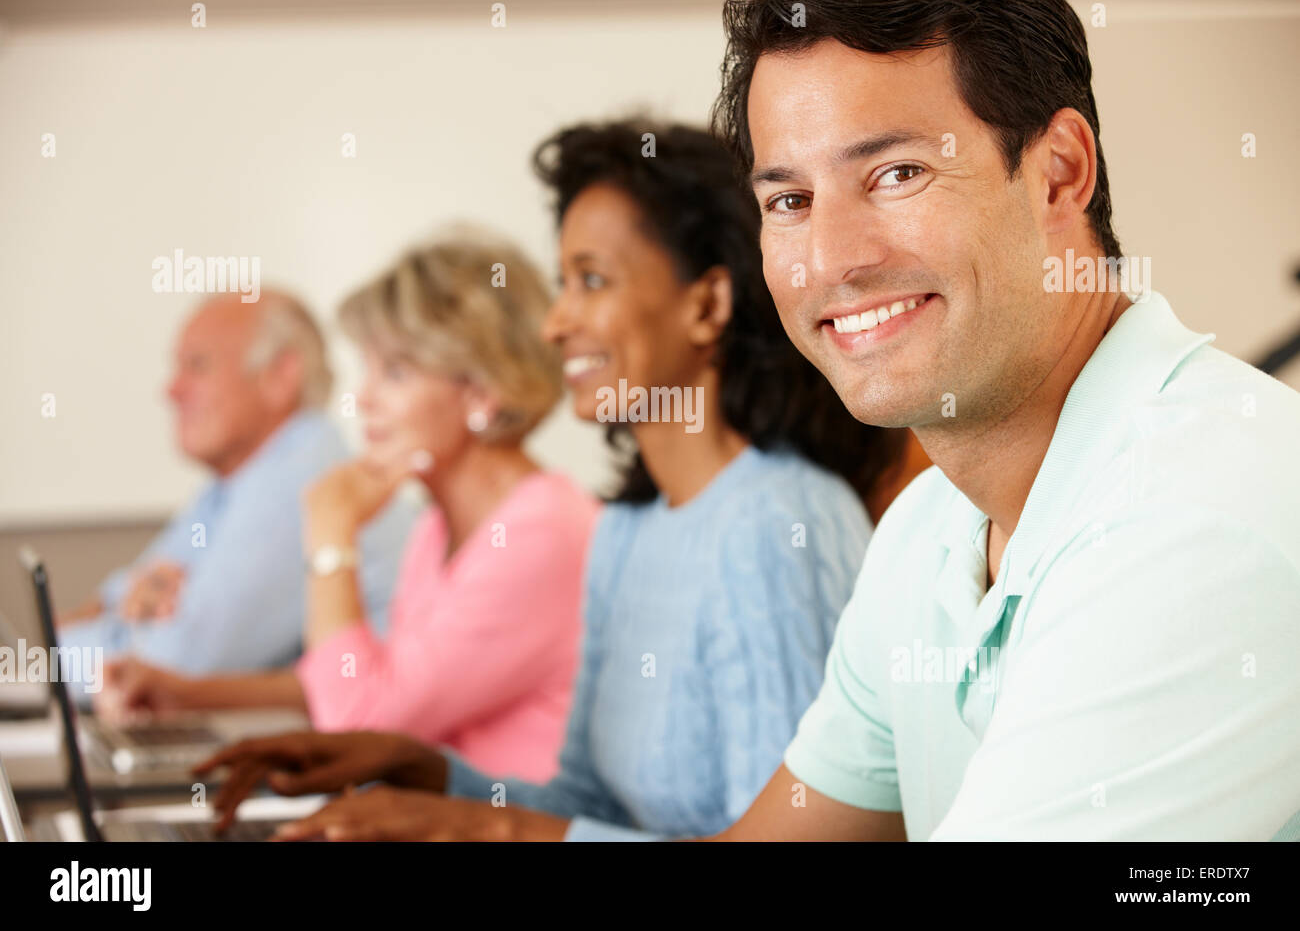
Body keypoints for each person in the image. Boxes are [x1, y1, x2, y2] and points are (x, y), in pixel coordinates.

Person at [698, 0, 1299, 840]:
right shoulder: (925, 531)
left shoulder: (1200, 516)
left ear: (1060, 174)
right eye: (789, 201)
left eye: (896, 173)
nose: (832, 259)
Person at [193, 119, 913, 840]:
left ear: (706, 304)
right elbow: (589, 806)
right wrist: (422, 769)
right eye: (564, 282)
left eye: (591, 281)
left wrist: (487, 830)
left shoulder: (777, 522)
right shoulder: (629, 530)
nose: (555, 323)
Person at [100, 233, 600, 783]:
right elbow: (366, 678)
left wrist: (331, 530)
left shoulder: (540, 533)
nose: (363, 398)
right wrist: (188, 695)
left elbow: (358, 721)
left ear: (482, 394)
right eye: (368, 369)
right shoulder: (440, 524)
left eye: (395, 373)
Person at [60, 291, 413, 681]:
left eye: (197, 366)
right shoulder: (233, 482)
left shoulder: (302, 477)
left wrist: (42, 659)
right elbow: (121, 595)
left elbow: (175, 661)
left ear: (280, 376)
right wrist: (124, 611)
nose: (171, 390)